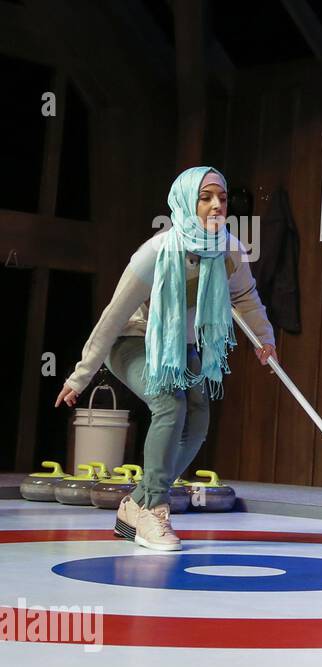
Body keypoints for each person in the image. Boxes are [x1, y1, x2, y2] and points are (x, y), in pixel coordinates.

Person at [56, 167, 277, 552]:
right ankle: (154, 508)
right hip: (132, 342)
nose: (215, 206)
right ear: (187, 201)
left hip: (180, 346)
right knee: (169, 404)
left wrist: (265, 339)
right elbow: (112, 318)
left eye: (221, 198)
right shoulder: (155, 253)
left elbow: (245, 298)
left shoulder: (229, 252)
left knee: (198, 418)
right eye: (205, 198)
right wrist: (80, 377)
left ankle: (136, 503)